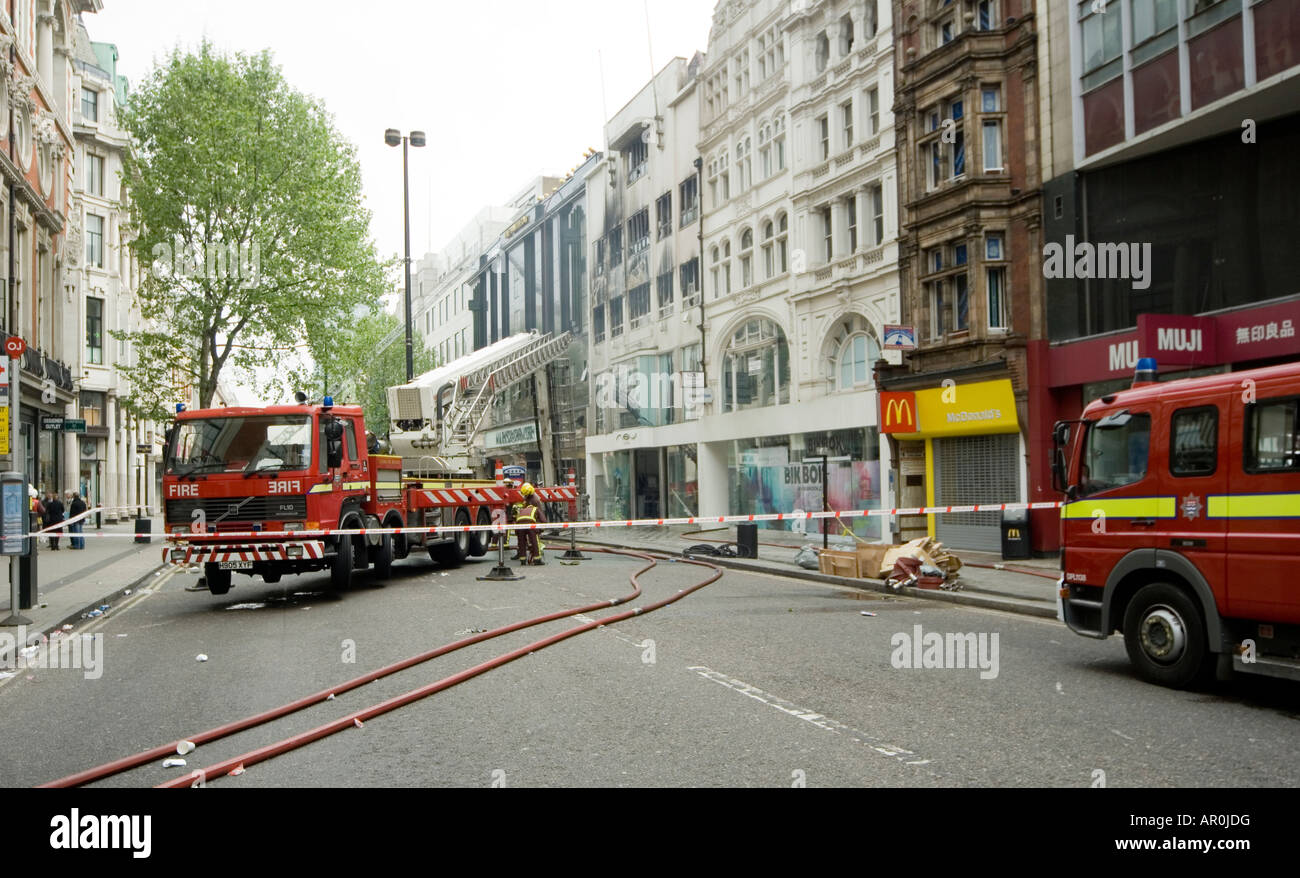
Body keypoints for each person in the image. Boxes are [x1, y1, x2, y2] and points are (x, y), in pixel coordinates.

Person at [516, 483, 547, 566]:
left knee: (521, 541)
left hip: (520, 524)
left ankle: (522, 559)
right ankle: (537, 559)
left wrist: (517, 532)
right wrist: (540, 529)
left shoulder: (532, 501)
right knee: (534, 541)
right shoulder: (533, 501)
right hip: (530, 524)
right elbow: (542, 518)